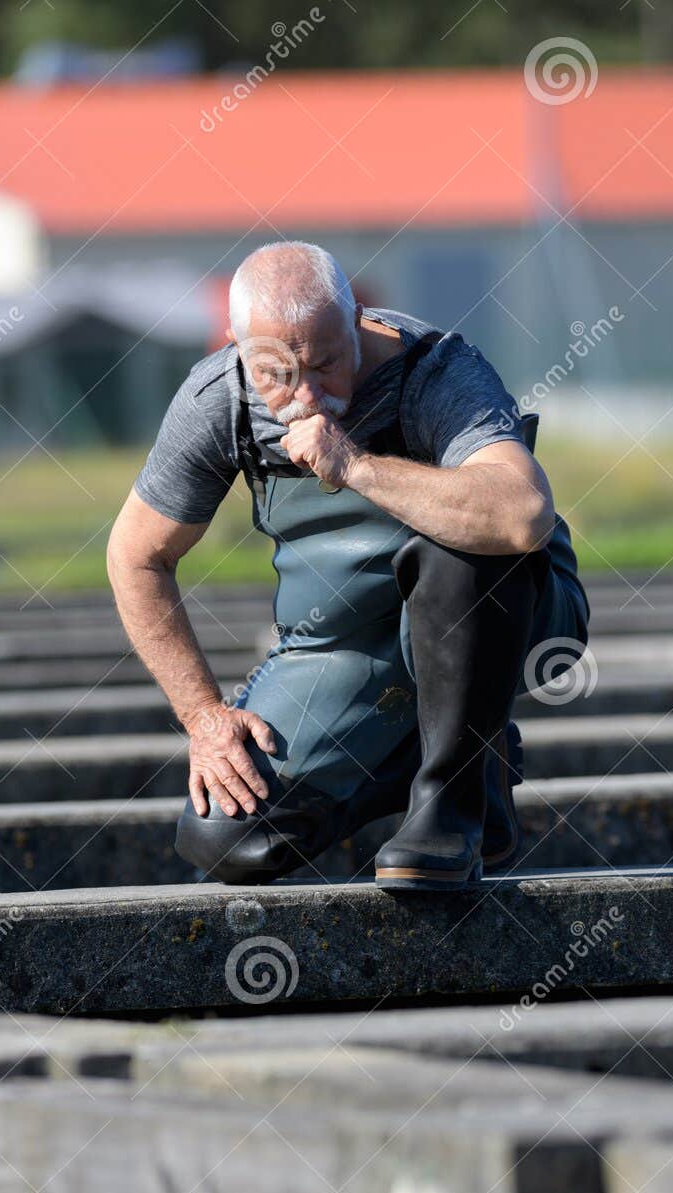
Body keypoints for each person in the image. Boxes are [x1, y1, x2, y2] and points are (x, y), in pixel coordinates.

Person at [107, 241, 589, 892]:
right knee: (224, 832)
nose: (307, 394)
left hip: (507, 613)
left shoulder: (435, 372)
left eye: (328, 363)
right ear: (239, 349)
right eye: (279, 374)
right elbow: (137, 556)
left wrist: (355, 465)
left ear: (357, 320)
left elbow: (522, 515)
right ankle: (441, 756)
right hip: (345, 641)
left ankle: (450, 801)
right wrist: (203, 717)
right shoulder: (218, 401)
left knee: (457, 540)